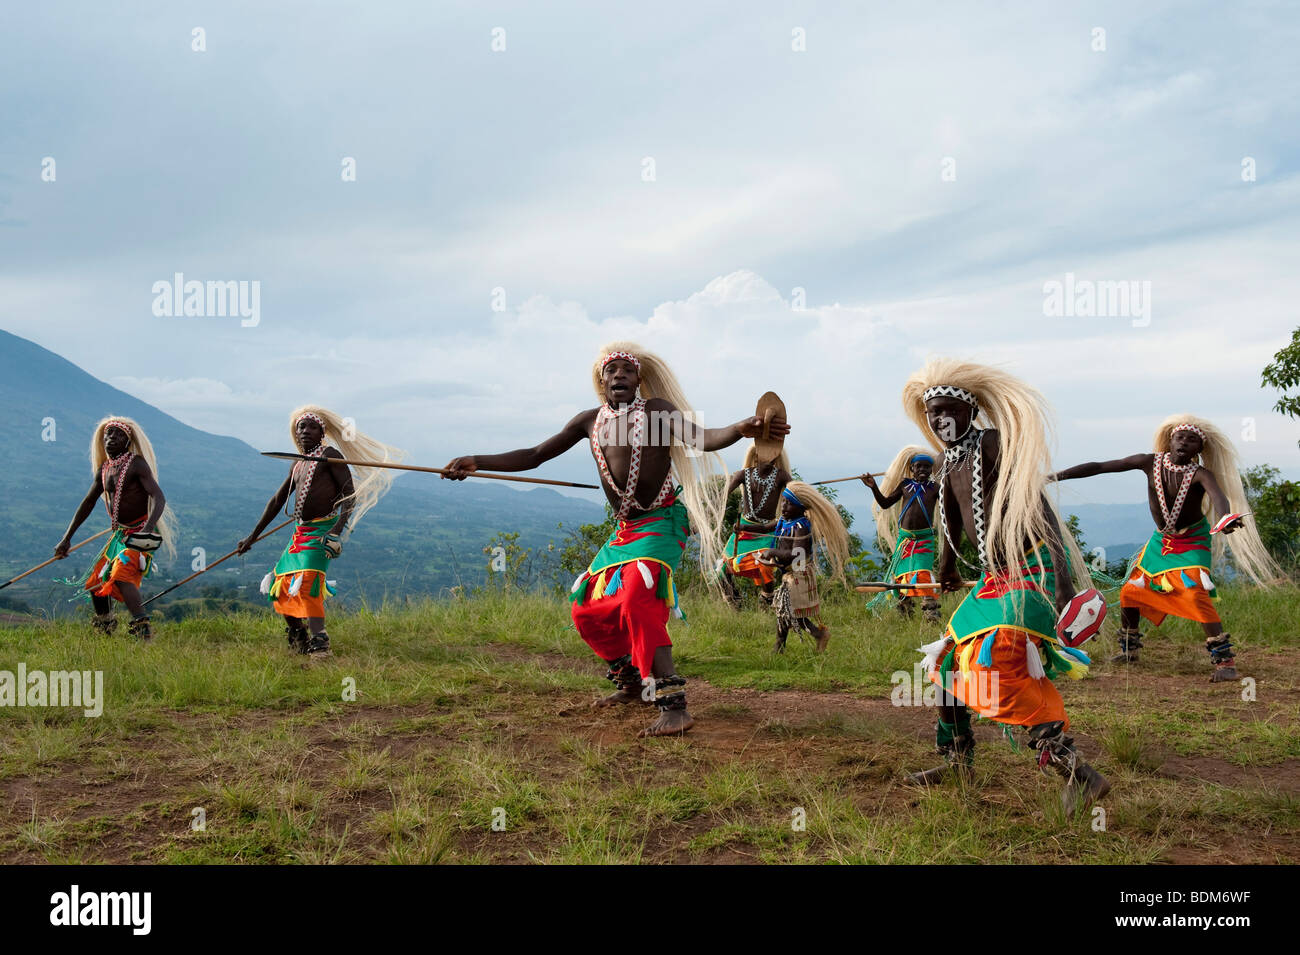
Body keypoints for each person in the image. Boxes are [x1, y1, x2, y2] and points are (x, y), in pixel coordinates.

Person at [442, 342, 789, 737]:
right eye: (612, 371)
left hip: (662, 521)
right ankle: (632, 684)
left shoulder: (656, 412)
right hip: (624, 531)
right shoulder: (588, 421)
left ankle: (674, 705)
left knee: (638, 598)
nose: (619, 375)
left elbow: (703, 437)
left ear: (639, 379)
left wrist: (739, 430)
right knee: (587, 608)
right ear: (601, 380)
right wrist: (477, 461)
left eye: (627, 370)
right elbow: (536, 454)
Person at [901, 359, 1109, 816]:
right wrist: (948, 568)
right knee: (951, 658)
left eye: (946, 410)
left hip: (1032, 567)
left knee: (996, 666)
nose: (938, 420)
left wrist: (1064, 583)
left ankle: (1080, 774)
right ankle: (957, 760)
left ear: (969, 411)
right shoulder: (945, 459)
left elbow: (1037, 507)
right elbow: (952, 518)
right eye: (931, 413)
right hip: (996, 576)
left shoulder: (992, 443)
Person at [1052, 415, 1278, 682]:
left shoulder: (1201, 474)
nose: (1184, 442)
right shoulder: (1149, 462)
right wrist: (1056, 476)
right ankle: (1129, 650)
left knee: (1195, 594)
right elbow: (1102, 467)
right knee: (1130, 592)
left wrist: (1225, 518)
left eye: (1192, 440)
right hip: (1161, 541)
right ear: (1170, 440)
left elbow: (1219, 498)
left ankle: (1224, 662)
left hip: (1192, 540)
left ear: (1199, 449)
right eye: (1180, 437)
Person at [237, 407, 403, 656]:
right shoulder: (298, 463)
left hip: (322, 529)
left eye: (311, 427)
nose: (305, 431)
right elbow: (277, 500)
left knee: (307, 585)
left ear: (322, 432)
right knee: (281, 586)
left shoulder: (330, 455)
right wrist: (252, 536)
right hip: (300, 533)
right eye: (301, 427)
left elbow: (350, 496)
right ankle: (298, 635)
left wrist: (336, 531)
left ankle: (320, 641)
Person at [56, 416, 174, 641]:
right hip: (120, 534)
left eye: (118, 435)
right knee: (96, 583)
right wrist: (67, 538)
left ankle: (143, 631)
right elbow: (88, 502)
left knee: (121, 574)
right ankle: (105, 629)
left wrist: (147, 528)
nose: (111, 439)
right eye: (108, 435)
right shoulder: (105, 468)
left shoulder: (137, 463)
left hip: (140, 532)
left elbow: (158, 497)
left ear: (127, 442)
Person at [759, 482, 850, 652]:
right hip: (789, 574)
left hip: (798, 575)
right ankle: (779, 646)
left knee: (792, 612)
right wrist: (743, 528)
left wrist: (773, 552)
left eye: (789, 503)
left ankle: (818, 635)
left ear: (801, 508)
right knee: (783, 611)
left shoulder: (801, 527)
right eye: (784, 501)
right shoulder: (784, 522)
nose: (784, 506)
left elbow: (797, 554)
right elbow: (764, 527)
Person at [862, 446, 941, 621]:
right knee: (901, 577)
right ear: (911, 469)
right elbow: (885, 503)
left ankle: (931, 613)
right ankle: (905, 611)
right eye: (918, 466)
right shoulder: (905, 485)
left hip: (924, 540)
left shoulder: (935, 488)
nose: (922, 470)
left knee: (923, 574)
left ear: (931, 470)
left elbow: (949, 507)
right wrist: (873, 486)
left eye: (926, 467)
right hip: (904, 540)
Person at [718, 445, 792, 606]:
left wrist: (801, 491)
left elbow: (796, 494)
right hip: (743, 529)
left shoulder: (781, 476)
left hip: (767, 530)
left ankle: (767, 599)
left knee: (765, 566)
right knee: (723, 569)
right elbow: (723, 497)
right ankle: (734, 603)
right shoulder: (743, 474)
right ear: (756, 454)